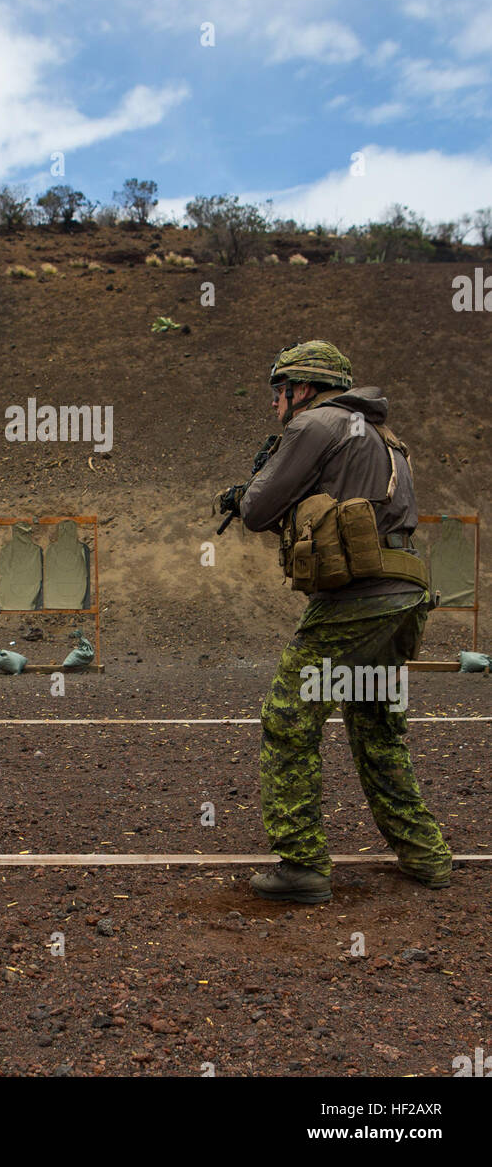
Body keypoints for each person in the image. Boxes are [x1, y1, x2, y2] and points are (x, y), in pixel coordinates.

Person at [222, 341, 451, 903]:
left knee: (287, 721)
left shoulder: (315, 425)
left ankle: (302, 867)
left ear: (303, 388)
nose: (276, 401)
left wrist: (240, 492)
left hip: (356, 605)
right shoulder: (382, 437)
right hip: (401, 599)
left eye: (281, 390)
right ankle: (426, 857)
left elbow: (256, 509)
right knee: (377, 731)